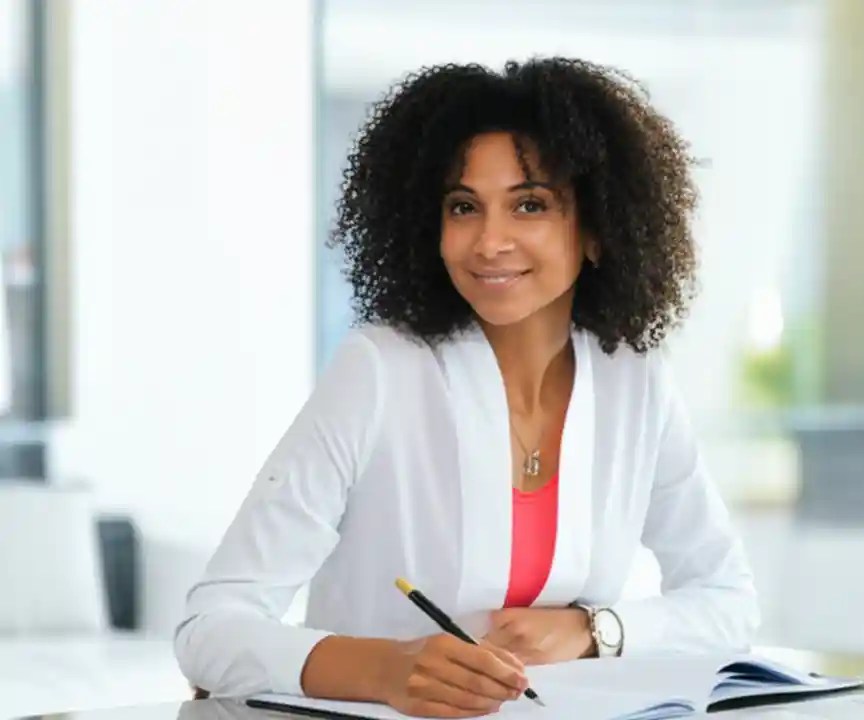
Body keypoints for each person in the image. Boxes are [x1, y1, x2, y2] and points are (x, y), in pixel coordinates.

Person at [174, 57, 758, 718]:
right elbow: (210, 629)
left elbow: (729, 601)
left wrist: (598, 631)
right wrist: (387, 670)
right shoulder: (381, 371)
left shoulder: (634, 379)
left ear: (598, 229)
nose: (489, 241)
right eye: (464, 207)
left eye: (529, 205)